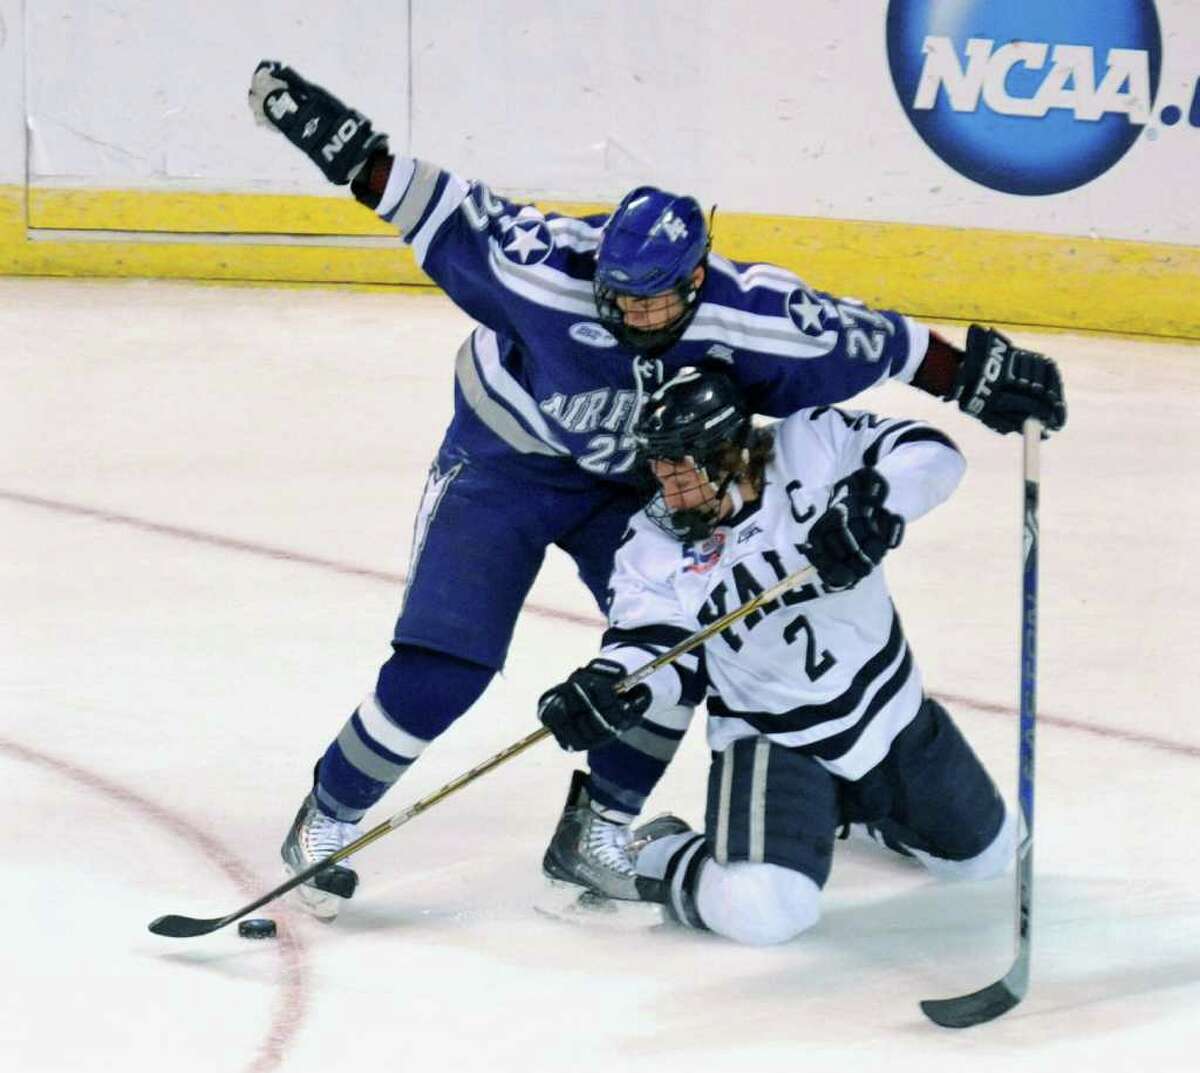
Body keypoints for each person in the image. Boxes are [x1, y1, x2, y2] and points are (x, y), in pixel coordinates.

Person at [246, 61, 1062, 919]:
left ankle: (599, 827)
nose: (633, 316)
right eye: (619, 299)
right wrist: (337, 141)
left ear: (698, 279)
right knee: (448, 663)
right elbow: (426, 200)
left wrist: (973, 377)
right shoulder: (541, 268)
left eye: (655, 303)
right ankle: (328, 815)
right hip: (503, 463)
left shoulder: (757, 315)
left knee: (680, 652)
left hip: (642, 486)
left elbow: (877, 340)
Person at [536, 367, 1016, 943]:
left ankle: (858, 812)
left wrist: (875, 505)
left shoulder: (812, 443)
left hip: (892, 718)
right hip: (773, 741)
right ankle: (661, 853)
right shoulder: (651, 544)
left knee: (987, 857)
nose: (667, 491)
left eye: (679, 471)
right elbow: (652, 647)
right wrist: (611, 686)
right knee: (762, 912)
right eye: (659, 471)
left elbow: (931, 451)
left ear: (728, 454)